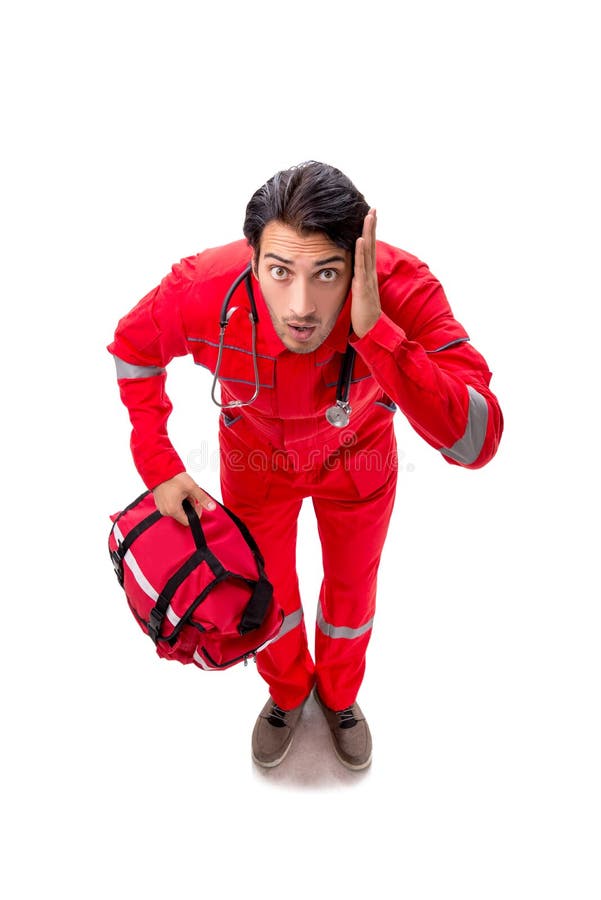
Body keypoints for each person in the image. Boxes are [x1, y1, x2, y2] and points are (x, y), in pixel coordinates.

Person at [108, 161, 503, 770]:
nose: (300, 306)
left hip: (359, 463)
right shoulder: (203, 289)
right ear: (252, 259)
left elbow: (476, 439)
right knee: (268, 591)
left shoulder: (402, 286)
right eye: (279, 271)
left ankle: (340, 697)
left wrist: (378, 333)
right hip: (255, 466)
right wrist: (159, 464)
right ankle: (288, 693)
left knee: (351, 591)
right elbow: (134, 347)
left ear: (358, 262)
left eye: (327, 273)